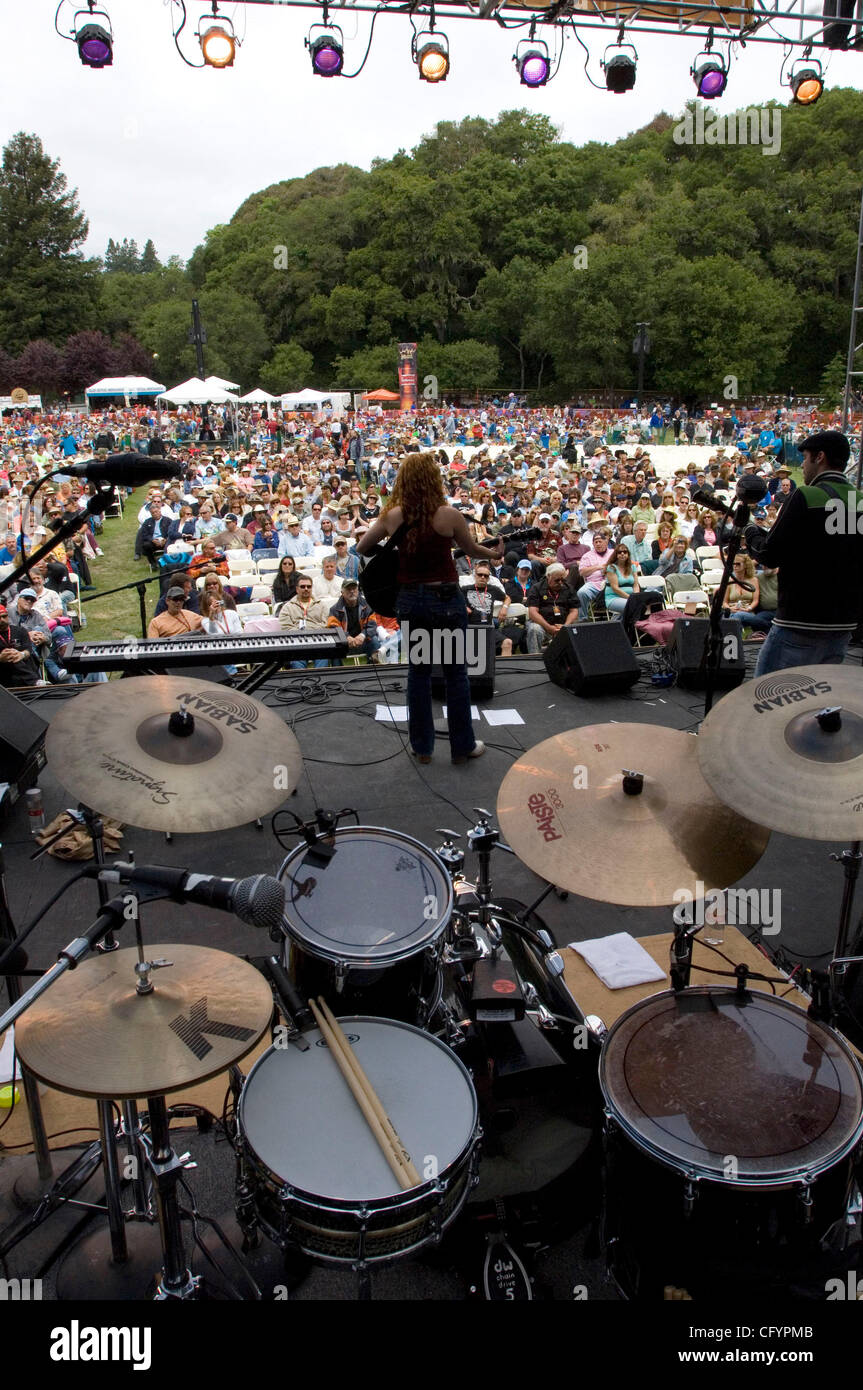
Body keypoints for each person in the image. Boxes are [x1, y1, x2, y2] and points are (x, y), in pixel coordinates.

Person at [356, 452, 502, 764]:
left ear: (403, 480)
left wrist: (396, 557)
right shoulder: (449, 515)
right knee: (455, 674)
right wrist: (494, 553)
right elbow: (472, 549)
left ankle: (422, 748)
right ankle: (462, 746)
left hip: (412, 601)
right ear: (433, 479)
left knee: (419, 674)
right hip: (446, 601)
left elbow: (361, 547)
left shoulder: (392, 515)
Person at [745, 431, 863, 674]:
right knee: (818, 700)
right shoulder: (860, 500)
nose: (804, 466)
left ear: (820, 457)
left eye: (806, 458)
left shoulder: (806, 495)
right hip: (844, 623)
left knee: (767, 695)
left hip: (800, 620)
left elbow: (769, 554)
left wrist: (751, 533)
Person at [526, 563, 578, 652]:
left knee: (579, 628)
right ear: (548, 576)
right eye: (557, 580)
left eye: (563, 579)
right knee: (534, 629)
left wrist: (566, 625)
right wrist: (548, 627)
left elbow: (574, 611)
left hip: (564, 624)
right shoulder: (536, 588)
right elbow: (533, 612)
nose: (561, 583)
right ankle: (534, 660)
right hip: (543, 625)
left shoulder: (568, 588)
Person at [327, 578, 381, 662]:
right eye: (348, 589)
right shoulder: (334, 609)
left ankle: (374, 670)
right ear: (342, 593)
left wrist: (362, 636)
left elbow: (372, 625)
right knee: (335, 646)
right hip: (344, 643)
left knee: (374, 641)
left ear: (358, 590)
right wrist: (346, 637)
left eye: (354, 588)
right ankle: (338, 673)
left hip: (363, 641)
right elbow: (333, 628)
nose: (352, 591)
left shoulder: (367, 606)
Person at [604, 544, 640, 616]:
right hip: (614, 598)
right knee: (633, 606)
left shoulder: (632, 567)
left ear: (628, 554)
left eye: (625, 552)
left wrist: (636, 597)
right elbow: (615, 588)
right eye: (620, 552)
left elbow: (635, 585)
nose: (622, 554)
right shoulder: (611, 568)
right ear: (616, 555)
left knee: (644, 604)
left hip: (631, 598)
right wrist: (631, 598)